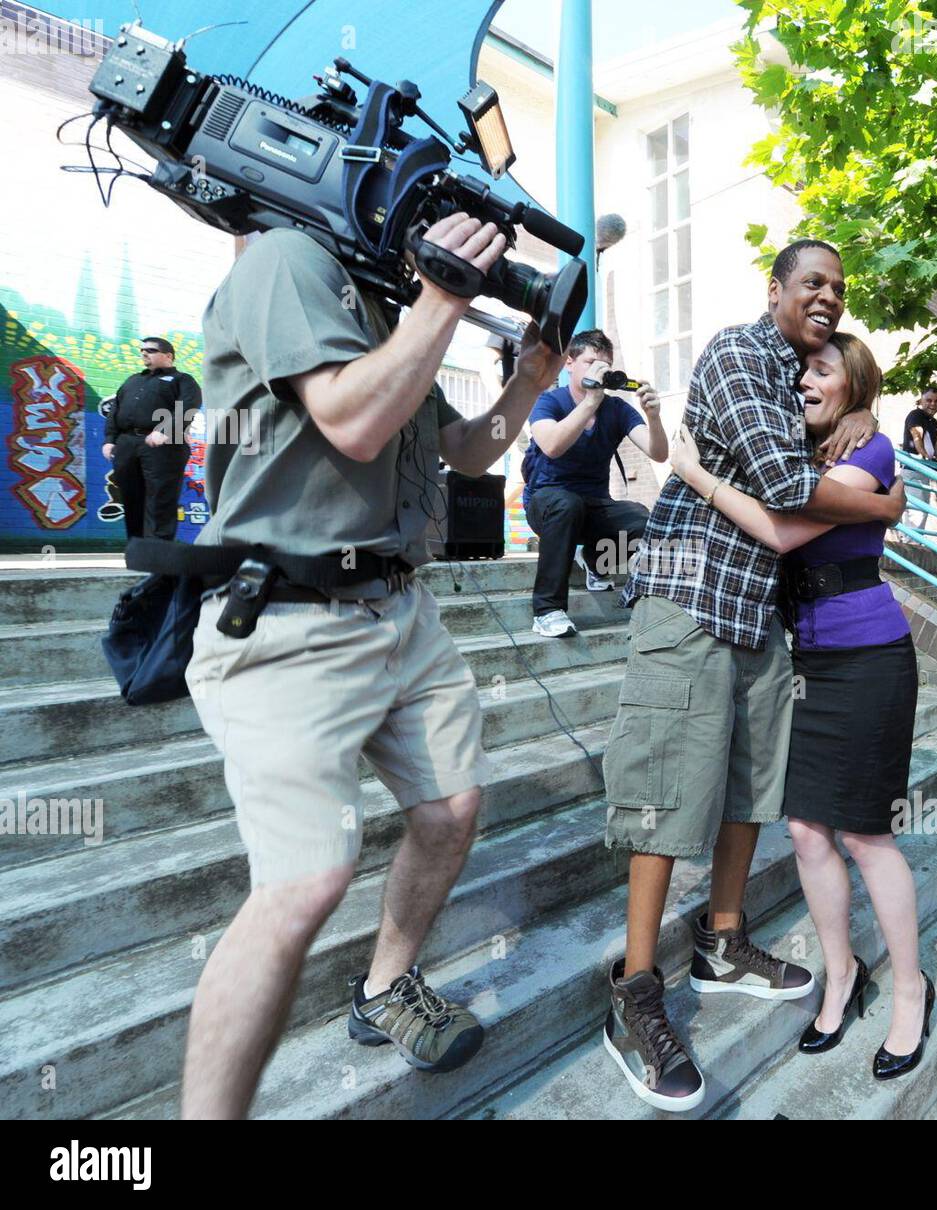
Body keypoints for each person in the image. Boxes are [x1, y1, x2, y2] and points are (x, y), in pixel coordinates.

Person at [179, 214, 564, 1118]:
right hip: (287, 614)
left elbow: (464, 450)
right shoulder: (286, 258)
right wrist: (442, 299)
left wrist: (530, 379)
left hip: (399, 606)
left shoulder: (391, 303)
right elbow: (351, 419)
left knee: (451, 806)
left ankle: (385, 989)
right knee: (306, 881)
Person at [599, 238, 904, 1112]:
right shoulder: (740, 352)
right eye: (814, 283)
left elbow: (799, 464)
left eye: (840, 289)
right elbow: (781, 483)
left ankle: (724, 941)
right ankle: (636, 987)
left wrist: (862, 426)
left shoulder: (799, 377)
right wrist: (885, 494)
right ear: (775, 289)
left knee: (749, 789)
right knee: (664, 791)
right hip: (691, 601)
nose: (830, 297)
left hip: (757, 614)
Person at [672, 331, 934, 1079]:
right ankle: (841, 972)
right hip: (809, 662)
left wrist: (693, 472)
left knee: (866, 835)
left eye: (821, 372)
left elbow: (783, 533)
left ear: (852, 387)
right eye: (800, 374)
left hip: (871, 659)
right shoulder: (803, 454)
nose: (804, 382)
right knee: (806, 830)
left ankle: (910, 989)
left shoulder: (873, 453)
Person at [522, 329, 667, 638]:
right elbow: (551, 446)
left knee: (644, 518)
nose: (599, 371)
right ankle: (547, 611)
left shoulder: (616, 409)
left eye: (606, 365)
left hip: (595, 507)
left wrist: (653, 416)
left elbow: (658, 453)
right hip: (547, 504)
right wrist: (590, 402)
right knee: (566, 504)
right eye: (590, 362)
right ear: (569, 363)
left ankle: (595, 558)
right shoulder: (548, 402)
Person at [101, 337, 200, 540]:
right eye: (142, 350)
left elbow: (188, 405)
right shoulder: (133, 380)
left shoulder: (182, 380)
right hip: (127, 444)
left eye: (151, 350)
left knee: (160, 499)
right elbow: (115, 410)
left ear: (168, 356)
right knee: (131, 497)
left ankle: (158, 552)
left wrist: (165, 430)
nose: (145, 354)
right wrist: (110, 439)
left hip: (163, 446)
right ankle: (137, 549)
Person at [899, 385, 937, 536]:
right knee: (915, 514)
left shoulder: (933, 422)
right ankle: (910, 549)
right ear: (921, 400)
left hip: (923, 471)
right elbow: (917, 436)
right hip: (913, 470)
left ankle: (914, 545)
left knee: (921, 512)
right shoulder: (916, 415)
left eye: (936, 401)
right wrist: (923, 455)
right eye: (929, 400)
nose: (933, 404)